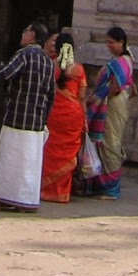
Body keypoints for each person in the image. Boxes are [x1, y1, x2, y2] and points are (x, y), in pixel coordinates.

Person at [0, 21, 55, 212]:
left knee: (7, 160)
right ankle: (25, 201)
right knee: (28, 164)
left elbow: (6, 73)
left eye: (26, 31)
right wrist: (44, 118)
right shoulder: (47, 61)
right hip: (36, 122)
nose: (22, 34)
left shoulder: (25, 55)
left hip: (17, 117)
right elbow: (51, 95)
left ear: (32, 35)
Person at [82, 26, 135, 199]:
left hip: (113, 105)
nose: (108, 45)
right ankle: (104, 186)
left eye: (111, 42)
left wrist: (96, 98)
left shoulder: (121, 62)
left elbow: (115, 87)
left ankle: (111, 190)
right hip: (114, 104)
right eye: (107, 42)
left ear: (121, 42)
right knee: (106, 144)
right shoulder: (122, 60)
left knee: (110, 145)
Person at [40, 30, 86, 204]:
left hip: (54, 114)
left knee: (51, 151)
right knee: (67, 154)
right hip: (73, 115)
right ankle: (62, 193)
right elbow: (81, 97)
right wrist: (85, 119)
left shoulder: (51, 65)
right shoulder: (79, 70)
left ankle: (46, 190)